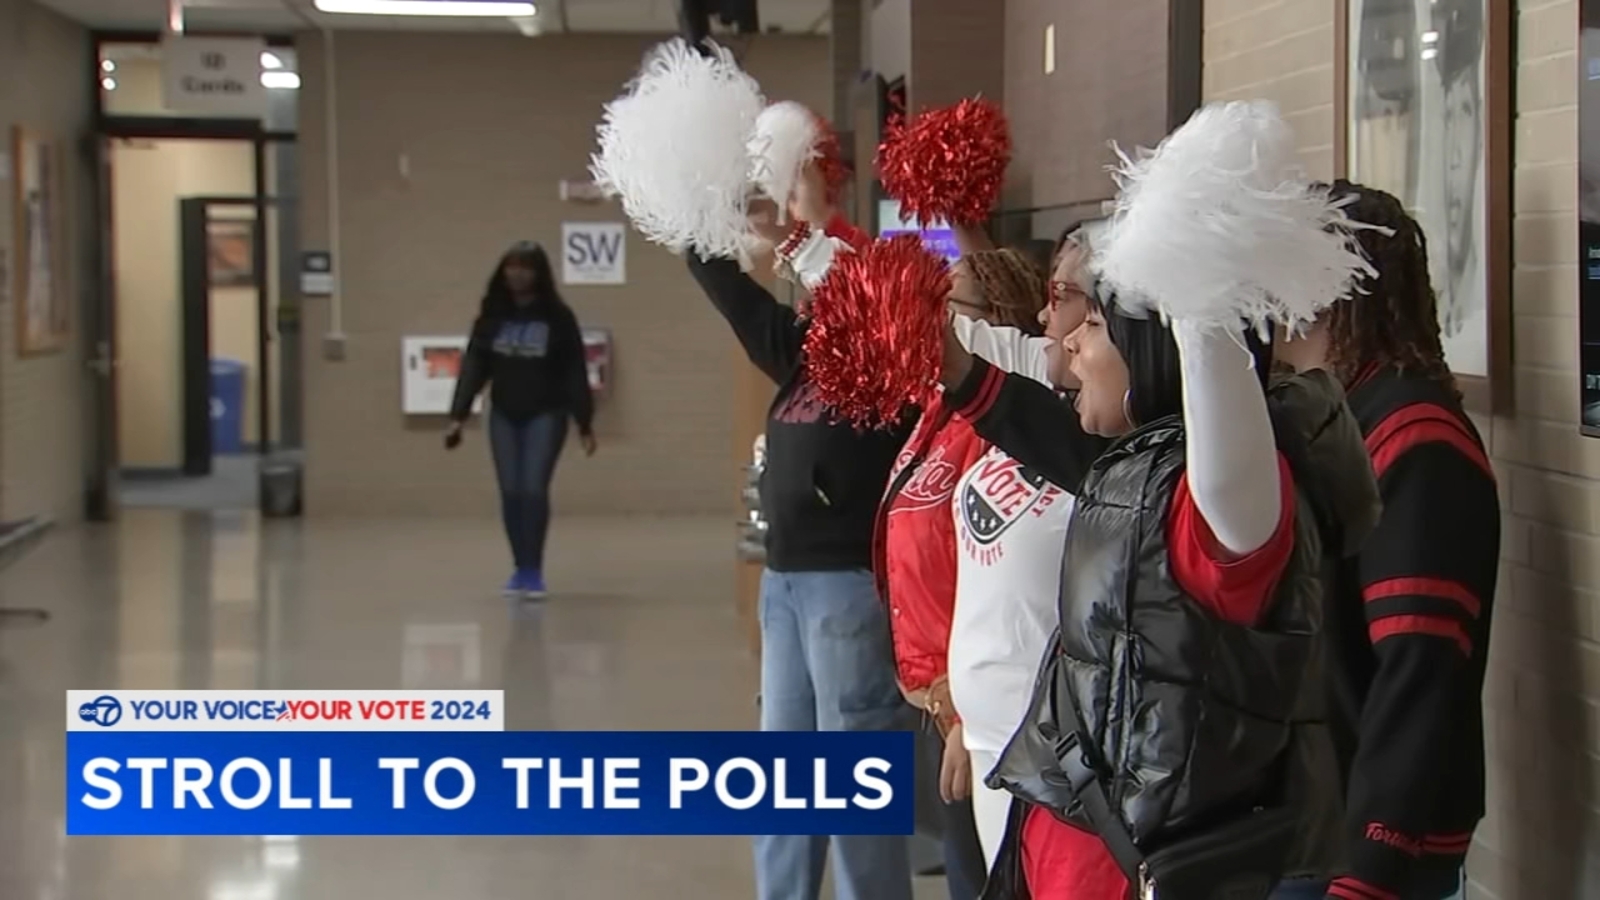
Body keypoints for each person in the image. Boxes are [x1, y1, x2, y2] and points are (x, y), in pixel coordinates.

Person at [939, 270, 1379, 898]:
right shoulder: (1133, 467)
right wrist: (953, 364)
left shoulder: (1220, 504)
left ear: (1157, 352)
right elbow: (1041, 430)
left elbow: (1216, 375)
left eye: (1092, 327)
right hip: (1059, 844)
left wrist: (1196, 281)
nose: (1068, 345)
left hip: (1135, 867)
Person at [687, 163, 915, 900]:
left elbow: (864, 280)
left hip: (848, 590)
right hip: (784, 588)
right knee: (783, 780)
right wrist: (694, 208)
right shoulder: (801, 355)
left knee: (854, 792)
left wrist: (800, 228)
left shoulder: (891, 369)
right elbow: (729, 291)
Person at [1271, 181, 1499, 900]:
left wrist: (1371, 865)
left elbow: (1417, 671)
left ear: (1335, 284)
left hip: (1363, 854)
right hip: (1305, 828)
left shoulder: (1411, 437)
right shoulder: (1331, 419)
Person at [945, 223, 1101, 866]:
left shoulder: (1115, 442)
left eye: (1062, 293)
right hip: (988, 735)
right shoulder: (1054, 380)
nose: (1045, 312)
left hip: (1057, 757)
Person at [445, 241, 597, 599]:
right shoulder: (492, 317)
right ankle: (519, 566)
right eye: (511, 266)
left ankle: (534, 569)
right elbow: (474, 367)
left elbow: (574, 370)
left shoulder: (558, 318)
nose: (517, 274)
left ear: (538, 273)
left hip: (546, 413)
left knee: (532, 489)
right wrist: (457, 416)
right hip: (503, 413)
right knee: (511, 492)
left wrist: (584, 422)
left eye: (525, 267)